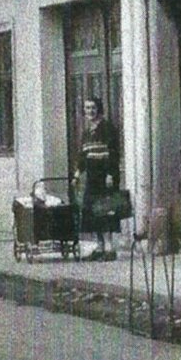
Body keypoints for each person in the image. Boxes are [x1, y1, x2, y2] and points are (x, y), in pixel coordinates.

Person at [79, 98, 120, 260]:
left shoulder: (108, 128)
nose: (90, 111)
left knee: (106, 210)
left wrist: (110, 174)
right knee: (92, 210)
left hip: (105, 176)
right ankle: (99, 246)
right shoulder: (87, 132)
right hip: (92, 177)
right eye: (87, 108)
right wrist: (77, 172)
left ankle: (109, 248)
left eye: (93, 108)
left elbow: (114, 153)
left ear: (99, 109)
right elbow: (83, 154)